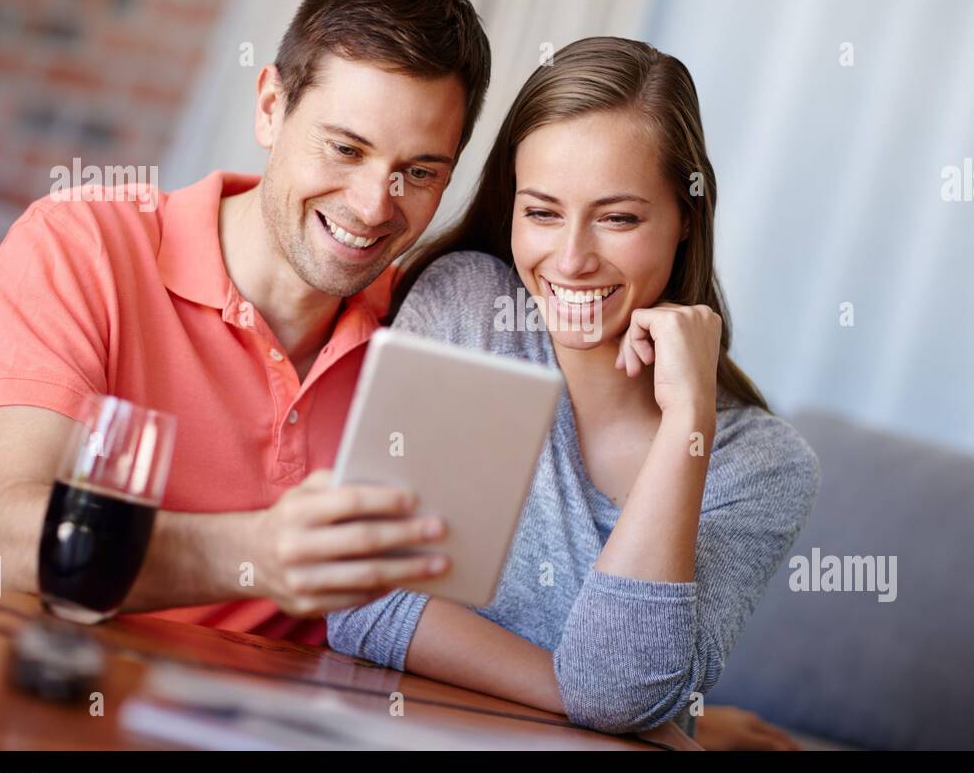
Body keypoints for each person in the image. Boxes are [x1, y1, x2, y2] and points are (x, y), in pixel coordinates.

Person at [0, 0, 492, 643]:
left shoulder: (423, 327)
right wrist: (258, 553)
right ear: (269, 108)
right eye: (345, 148)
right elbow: (4, 538)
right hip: (9, 689)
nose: (375, 207)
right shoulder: (81, 246)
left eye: (419, 173)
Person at [325, 36, 821, 737]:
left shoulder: (762, 466)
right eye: (542, 212)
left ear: (685, 219)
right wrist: (644, 720)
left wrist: (688, 424)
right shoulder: (470, 310)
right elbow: (362, 602)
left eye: (618, 217)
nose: (572, 259)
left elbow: (619, 688)